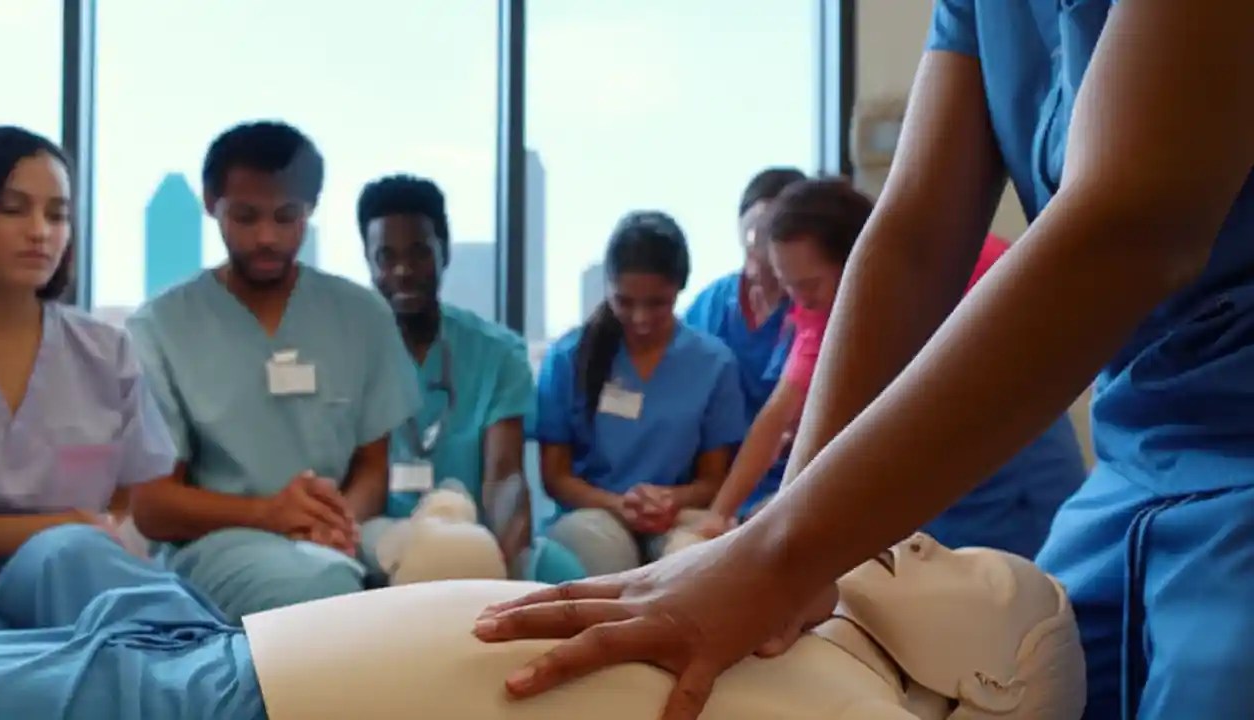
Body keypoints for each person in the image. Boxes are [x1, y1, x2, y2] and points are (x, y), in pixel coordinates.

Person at [471, 3, 1254, 719]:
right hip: (1137, 460)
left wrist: (779, 553)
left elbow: (1137, 218)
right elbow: (911, 239)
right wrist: (794, 557)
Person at [0, 531, 1083, 720]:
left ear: (988, 686)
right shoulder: (780, 625)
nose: (926, 543)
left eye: (969, 571)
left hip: (219, 700)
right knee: (61, 560)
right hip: (217, 659)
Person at [697, 180, 1086, 561]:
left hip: (1012, 440)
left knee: (1037, 586)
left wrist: (782, 514)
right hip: (933, 467)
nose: (800, 300)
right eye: (788, 286)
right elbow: (783, 410)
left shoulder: (958, 267)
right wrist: (720, 515)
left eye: (809, 284)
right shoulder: (821, 307)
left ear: (855, 259)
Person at [126, 121, 421, 622]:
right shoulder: (160, 328)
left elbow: (373, 467)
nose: (267, 237)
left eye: (287, 217)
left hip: (346, 526)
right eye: (245, 217)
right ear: (210, 203)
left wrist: (336, 523)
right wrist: (271, 514)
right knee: (318, 586)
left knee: (454, 562)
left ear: (312, 208)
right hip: (223, 541)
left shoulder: (361, 315)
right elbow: (154, 506)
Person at [0, 125, 178, 632]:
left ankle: (239, 672)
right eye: (13, 209)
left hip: (73, 576)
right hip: (48, 566)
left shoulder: (103, 352)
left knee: (84, 580)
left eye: (58, 214)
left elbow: (129, 490)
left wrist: (73, 534)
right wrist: (60, 526)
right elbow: (80, 528)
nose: (41, 231)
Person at [534, 211, 747, 577]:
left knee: (696, 557)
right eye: (625, 301)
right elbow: (556, 477)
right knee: (604, 555)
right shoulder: (569, 357)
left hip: (674, 514)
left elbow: (714, 479)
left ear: (680, 289)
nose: (641, 318)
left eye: (657, 303)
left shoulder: (713, 364)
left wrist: (671, 500)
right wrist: (617, 504)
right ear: (608, 286)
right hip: (593, 515)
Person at [356, 174, 536, 575]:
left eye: (419, 252)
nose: (403, 269)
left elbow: (505, 475)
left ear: (445, 253)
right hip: (380, 534)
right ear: (369, 263)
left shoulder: (497, 354)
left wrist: (511, 560)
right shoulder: (349, 352)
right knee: (430, 555)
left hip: (475, 532)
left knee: (566, 570)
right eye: (386, 256)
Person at [681, 167, 802, 520]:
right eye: (748, 244)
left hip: (794, 489)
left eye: (765, 242)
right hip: (714, 488)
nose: (755, 264)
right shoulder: (710, 308)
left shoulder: (818, 312)